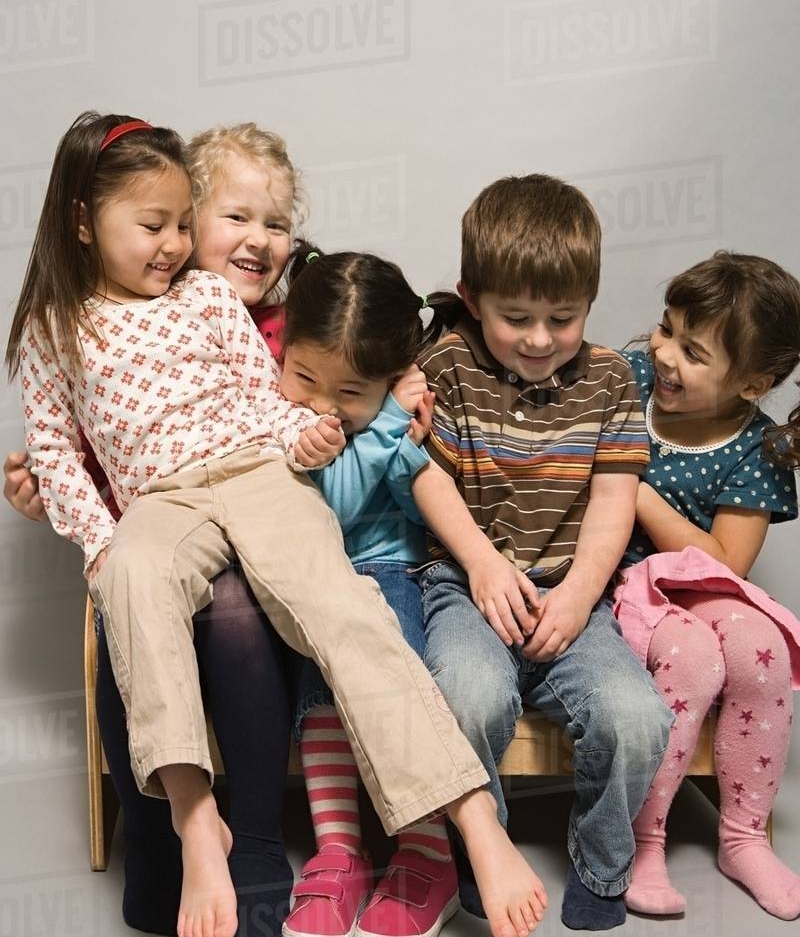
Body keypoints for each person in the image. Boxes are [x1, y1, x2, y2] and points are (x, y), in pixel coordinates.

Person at [6, 111, 547, 937]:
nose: (174, 246)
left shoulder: (208, 297)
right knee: (128, 578)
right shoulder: (55, 328)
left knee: (342, 606)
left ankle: (472, 816)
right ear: (83, 223)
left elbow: (264, 397)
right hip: (160, 500)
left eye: (184, 225)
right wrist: (98, 536)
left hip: (256, 470)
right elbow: (52, 447)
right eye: (154, 226)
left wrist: (308, 436)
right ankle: (195, 823)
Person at [5, 120, 309, 936]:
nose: (251, 243)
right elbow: (82, 436)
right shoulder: (125, 307)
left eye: (276, 226)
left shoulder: (281, 321)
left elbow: (347, 370)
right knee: (125, 599)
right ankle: (158, 834)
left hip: (253, 531)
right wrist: (52, 491)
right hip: (150, 531)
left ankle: (252, 843)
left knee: (238, 605)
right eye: (228, 221)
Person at [410, 173, 674, 932]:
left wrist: (581, 592)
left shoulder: (611, 381)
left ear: (589, 302)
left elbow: (614, 502)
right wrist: (484, 564)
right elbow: (425, 477)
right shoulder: (450, 367)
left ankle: (601, 867)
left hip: (571, 594)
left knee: (635, 715)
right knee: (467, 696)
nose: (538, 339)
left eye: (563, 318)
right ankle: (477, 844)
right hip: (466, 584)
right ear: (473, 295)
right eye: (515, 317)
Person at [611, 252, 800, 920]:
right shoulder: (624, 380)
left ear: (753, 385)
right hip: (616, 577)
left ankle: (743, 835)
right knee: (694, 660)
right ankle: (644, 838)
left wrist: (631, 488)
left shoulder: (759, 449)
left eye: (693, 352)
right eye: (667, 330)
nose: (664, 354)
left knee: (762, 649)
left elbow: (725, 564)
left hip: (699, 584)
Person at [277, 245, 456, 937]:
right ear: (284, 352)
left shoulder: (390, 423)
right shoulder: (282, 417)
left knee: (396, 685)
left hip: (387, 575)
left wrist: (393, 434)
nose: (323, 405)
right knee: (320, 691)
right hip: (311, 579)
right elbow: (335, 508)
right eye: (305, 377)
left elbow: (415, 513)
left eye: (349, 392)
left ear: (389, 379)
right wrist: (379, 424)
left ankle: (425, 848)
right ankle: (339, 850)